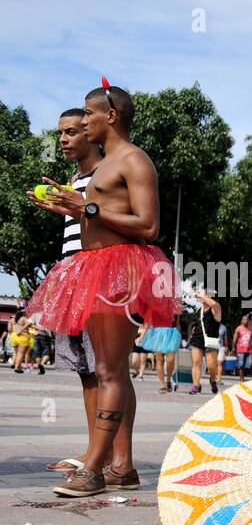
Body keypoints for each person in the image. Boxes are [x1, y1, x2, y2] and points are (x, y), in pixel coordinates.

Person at [24, 82, 180, 497]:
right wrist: (75, 209)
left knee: (108, 371)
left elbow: (149, 227)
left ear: (109, 117)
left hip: (120, 271)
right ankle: (120, 468)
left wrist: (86, 208)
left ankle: (93, 469)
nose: (83, 121)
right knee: (104, 371)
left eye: (89, 116)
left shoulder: (134, 160)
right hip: (96, 269)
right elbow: (104, 217)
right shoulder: (109, 165)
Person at [45, 108, 107, 474]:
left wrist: (82, 208)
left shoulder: (106, 174)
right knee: (84, 368)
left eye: (70, 132)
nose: (64, 140)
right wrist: (64, 210)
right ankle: (92, 450)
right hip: (70, 275)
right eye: (60, 134)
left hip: (96, 276)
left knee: (104, 368)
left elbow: (109, 222)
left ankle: (110, 456)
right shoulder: (74, 179)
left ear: (89, 133)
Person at [140, 314, 181, 392]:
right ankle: (162, 385)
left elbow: (177, 324)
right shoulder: (155, 307)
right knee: (159, 360)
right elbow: (148, 322)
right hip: (158, 334)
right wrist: (143, 335)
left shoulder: (175, 308)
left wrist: (179, 336)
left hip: (172, 334)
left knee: (170, 360)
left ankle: (168, 380)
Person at [233, 314, 252, 380]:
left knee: (248, 365)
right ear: (242, 321)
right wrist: (233, 347)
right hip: (240, 349)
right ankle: (241, 378)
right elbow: (235, 339)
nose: (246, 321)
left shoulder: (251, 329)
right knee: (241, 364)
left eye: (247, 320)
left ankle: (242, 374)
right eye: (244, 320)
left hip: (249, 349)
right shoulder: (238, 329)